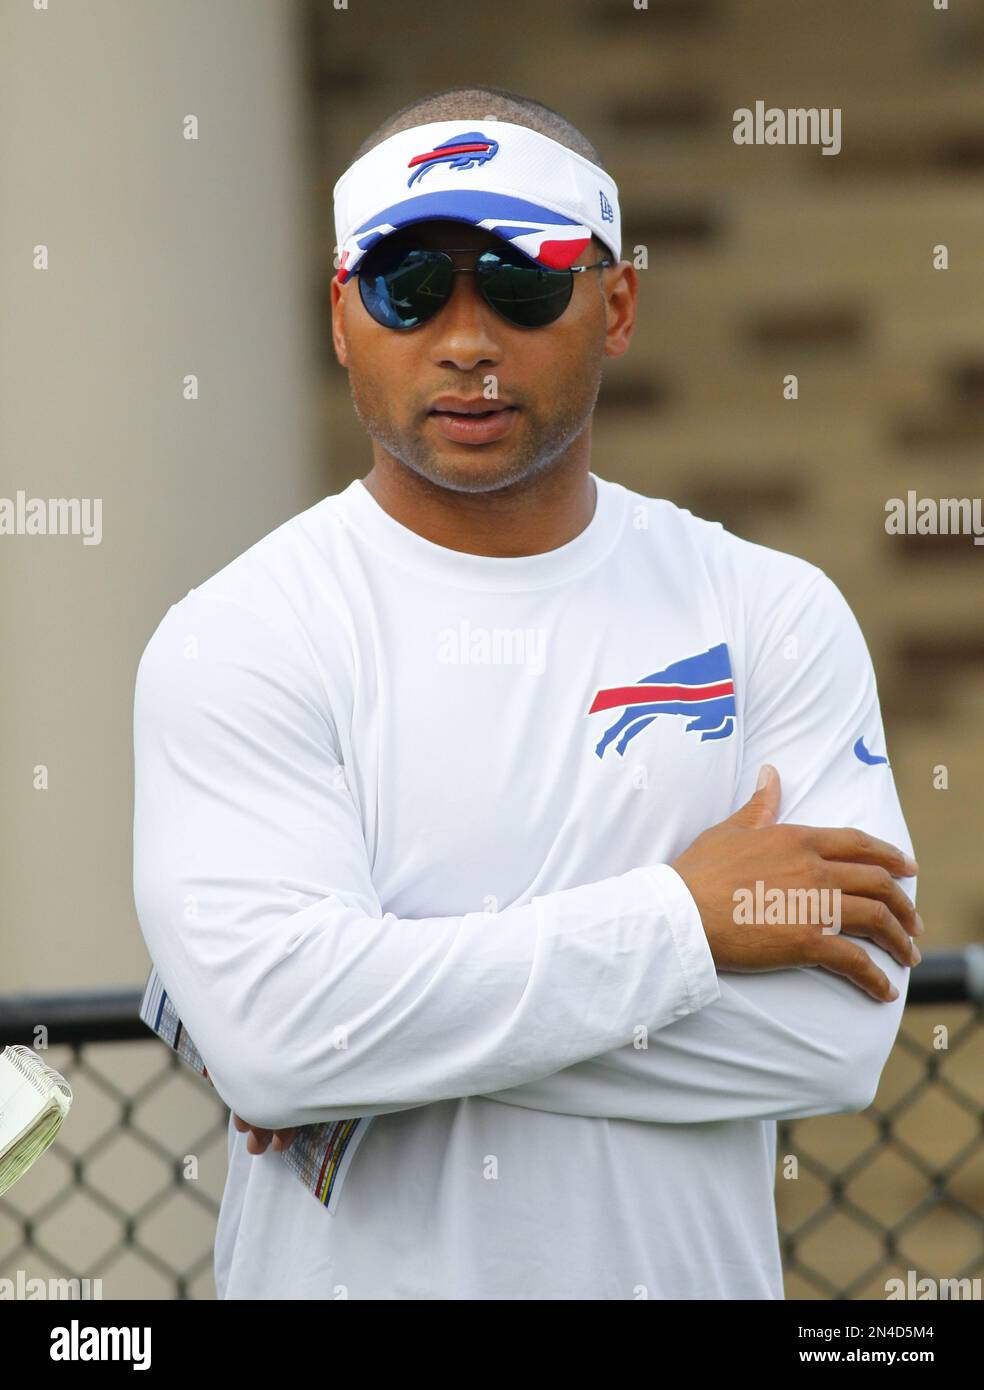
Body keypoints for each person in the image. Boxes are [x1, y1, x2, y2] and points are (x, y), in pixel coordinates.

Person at [132, 85, 921, 1300]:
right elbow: (283, 1040)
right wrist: (681, 921)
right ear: (343, 316)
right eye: (407, 287)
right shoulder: (242, 634)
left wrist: (366, 1050)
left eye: (520, 280)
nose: (465, 339)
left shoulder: (770, 611)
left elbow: (835, 1039)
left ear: (615, 306)